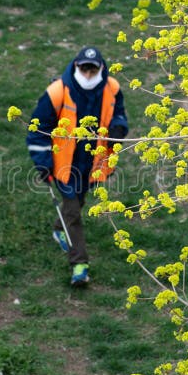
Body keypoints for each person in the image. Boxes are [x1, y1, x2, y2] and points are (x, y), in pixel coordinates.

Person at [26, 46, 129, 286]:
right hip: (63, 166)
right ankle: (79, 265)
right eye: (85, 69)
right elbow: (37, 130)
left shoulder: (112, 88)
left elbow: (120, 114)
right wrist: (44, 164)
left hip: (92, 164)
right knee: (74, 212)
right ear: (76, 67)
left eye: (93, 70)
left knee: (78, 202)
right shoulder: (57, 92)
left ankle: (58, 228)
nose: (89, 75)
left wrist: (119, 129)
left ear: (101, 69)